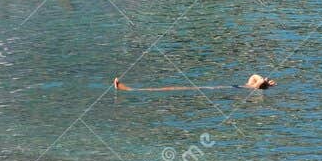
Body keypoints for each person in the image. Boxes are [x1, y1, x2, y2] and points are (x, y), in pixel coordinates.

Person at [113, 74, 275, 91]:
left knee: (173, 88)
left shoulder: (253, 88)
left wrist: (264, 82)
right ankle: (128, 89)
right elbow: (254, 76)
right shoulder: (251, 86)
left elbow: (257, 79)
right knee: (176, 87)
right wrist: (265, 82)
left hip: (219, 88)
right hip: (222, 87)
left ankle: (130, 90)